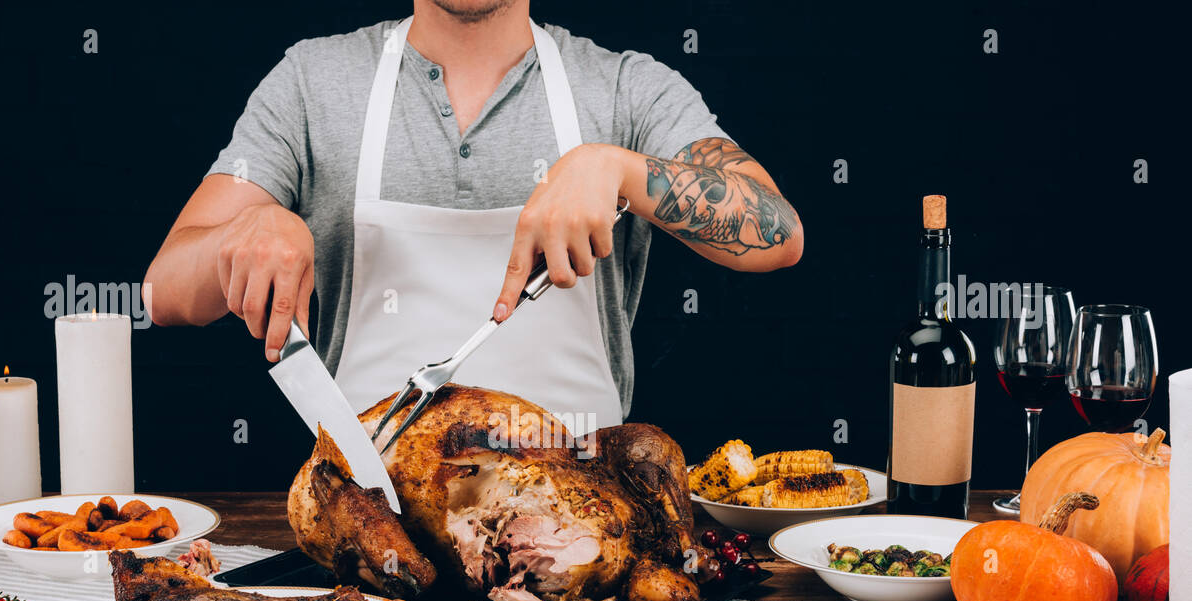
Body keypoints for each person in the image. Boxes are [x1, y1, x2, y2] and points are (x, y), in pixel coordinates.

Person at [144, 0, 802, 428]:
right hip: (378, 521)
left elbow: (777, 231)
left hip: (579, 523)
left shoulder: (625, 88)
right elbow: (165, 289)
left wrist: (620, 169)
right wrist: (244, 229)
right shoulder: (314, 84)